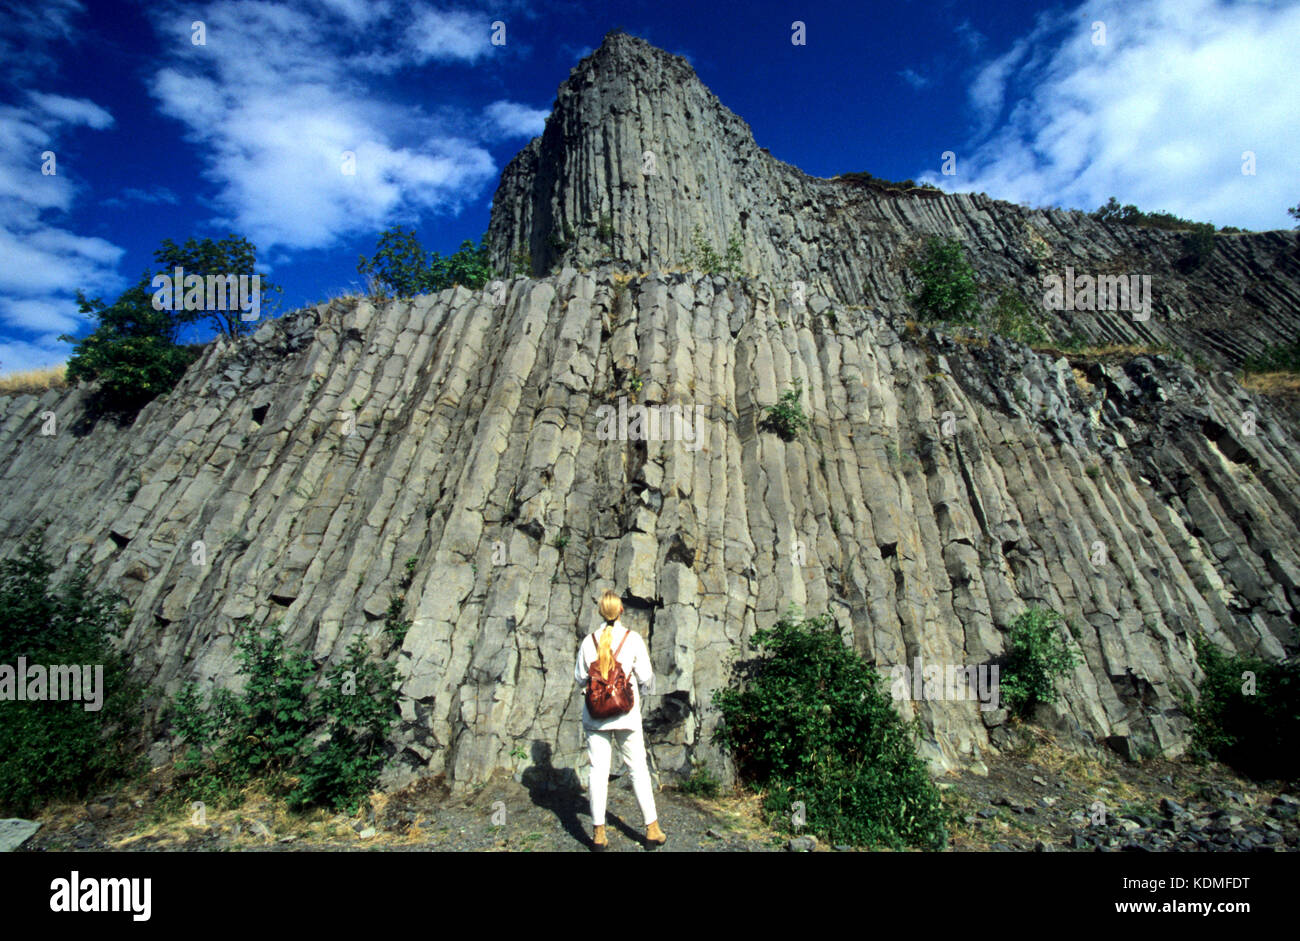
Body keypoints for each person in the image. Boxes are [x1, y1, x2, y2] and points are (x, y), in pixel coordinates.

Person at [574, 589, 666, 850]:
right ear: (621, 611)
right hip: (626, 715)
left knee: (598, 772)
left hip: (595, 717)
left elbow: (580, 679)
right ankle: (652, 829)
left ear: (600, 612)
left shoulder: (588, 641)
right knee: (638, 769)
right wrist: (639, 694)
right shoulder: (633, 638)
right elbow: (646, 676)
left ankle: (599, 835)